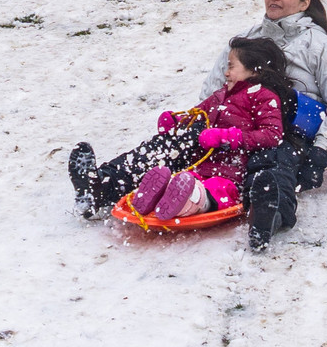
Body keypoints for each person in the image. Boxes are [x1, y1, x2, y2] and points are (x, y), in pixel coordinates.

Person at [69, 0, 327, 252]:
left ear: (305, 3)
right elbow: (213, 89)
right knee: (171, 144)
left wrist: (323, 151)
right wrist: (199, 125)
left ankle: (270, 213)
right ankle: (100, 188)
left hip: (282, 131)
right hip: (232, 127)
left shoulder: (319, 46)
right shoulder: (247, 39)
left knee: (272, 164)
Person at [121, 37, 291, 223]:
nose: (226, 73)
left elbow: (272, 135)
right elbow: (198, 115)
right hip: (202, 164)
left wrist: (226, 137)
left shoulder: (264, 96)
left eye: (231, 67)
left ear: (253, 70)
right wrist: (177, 122)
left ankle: (190, 201)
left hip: (232, 170)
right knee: (186, 180)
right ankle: (156, 196)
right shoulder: (220, 95)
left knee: (215, 190)